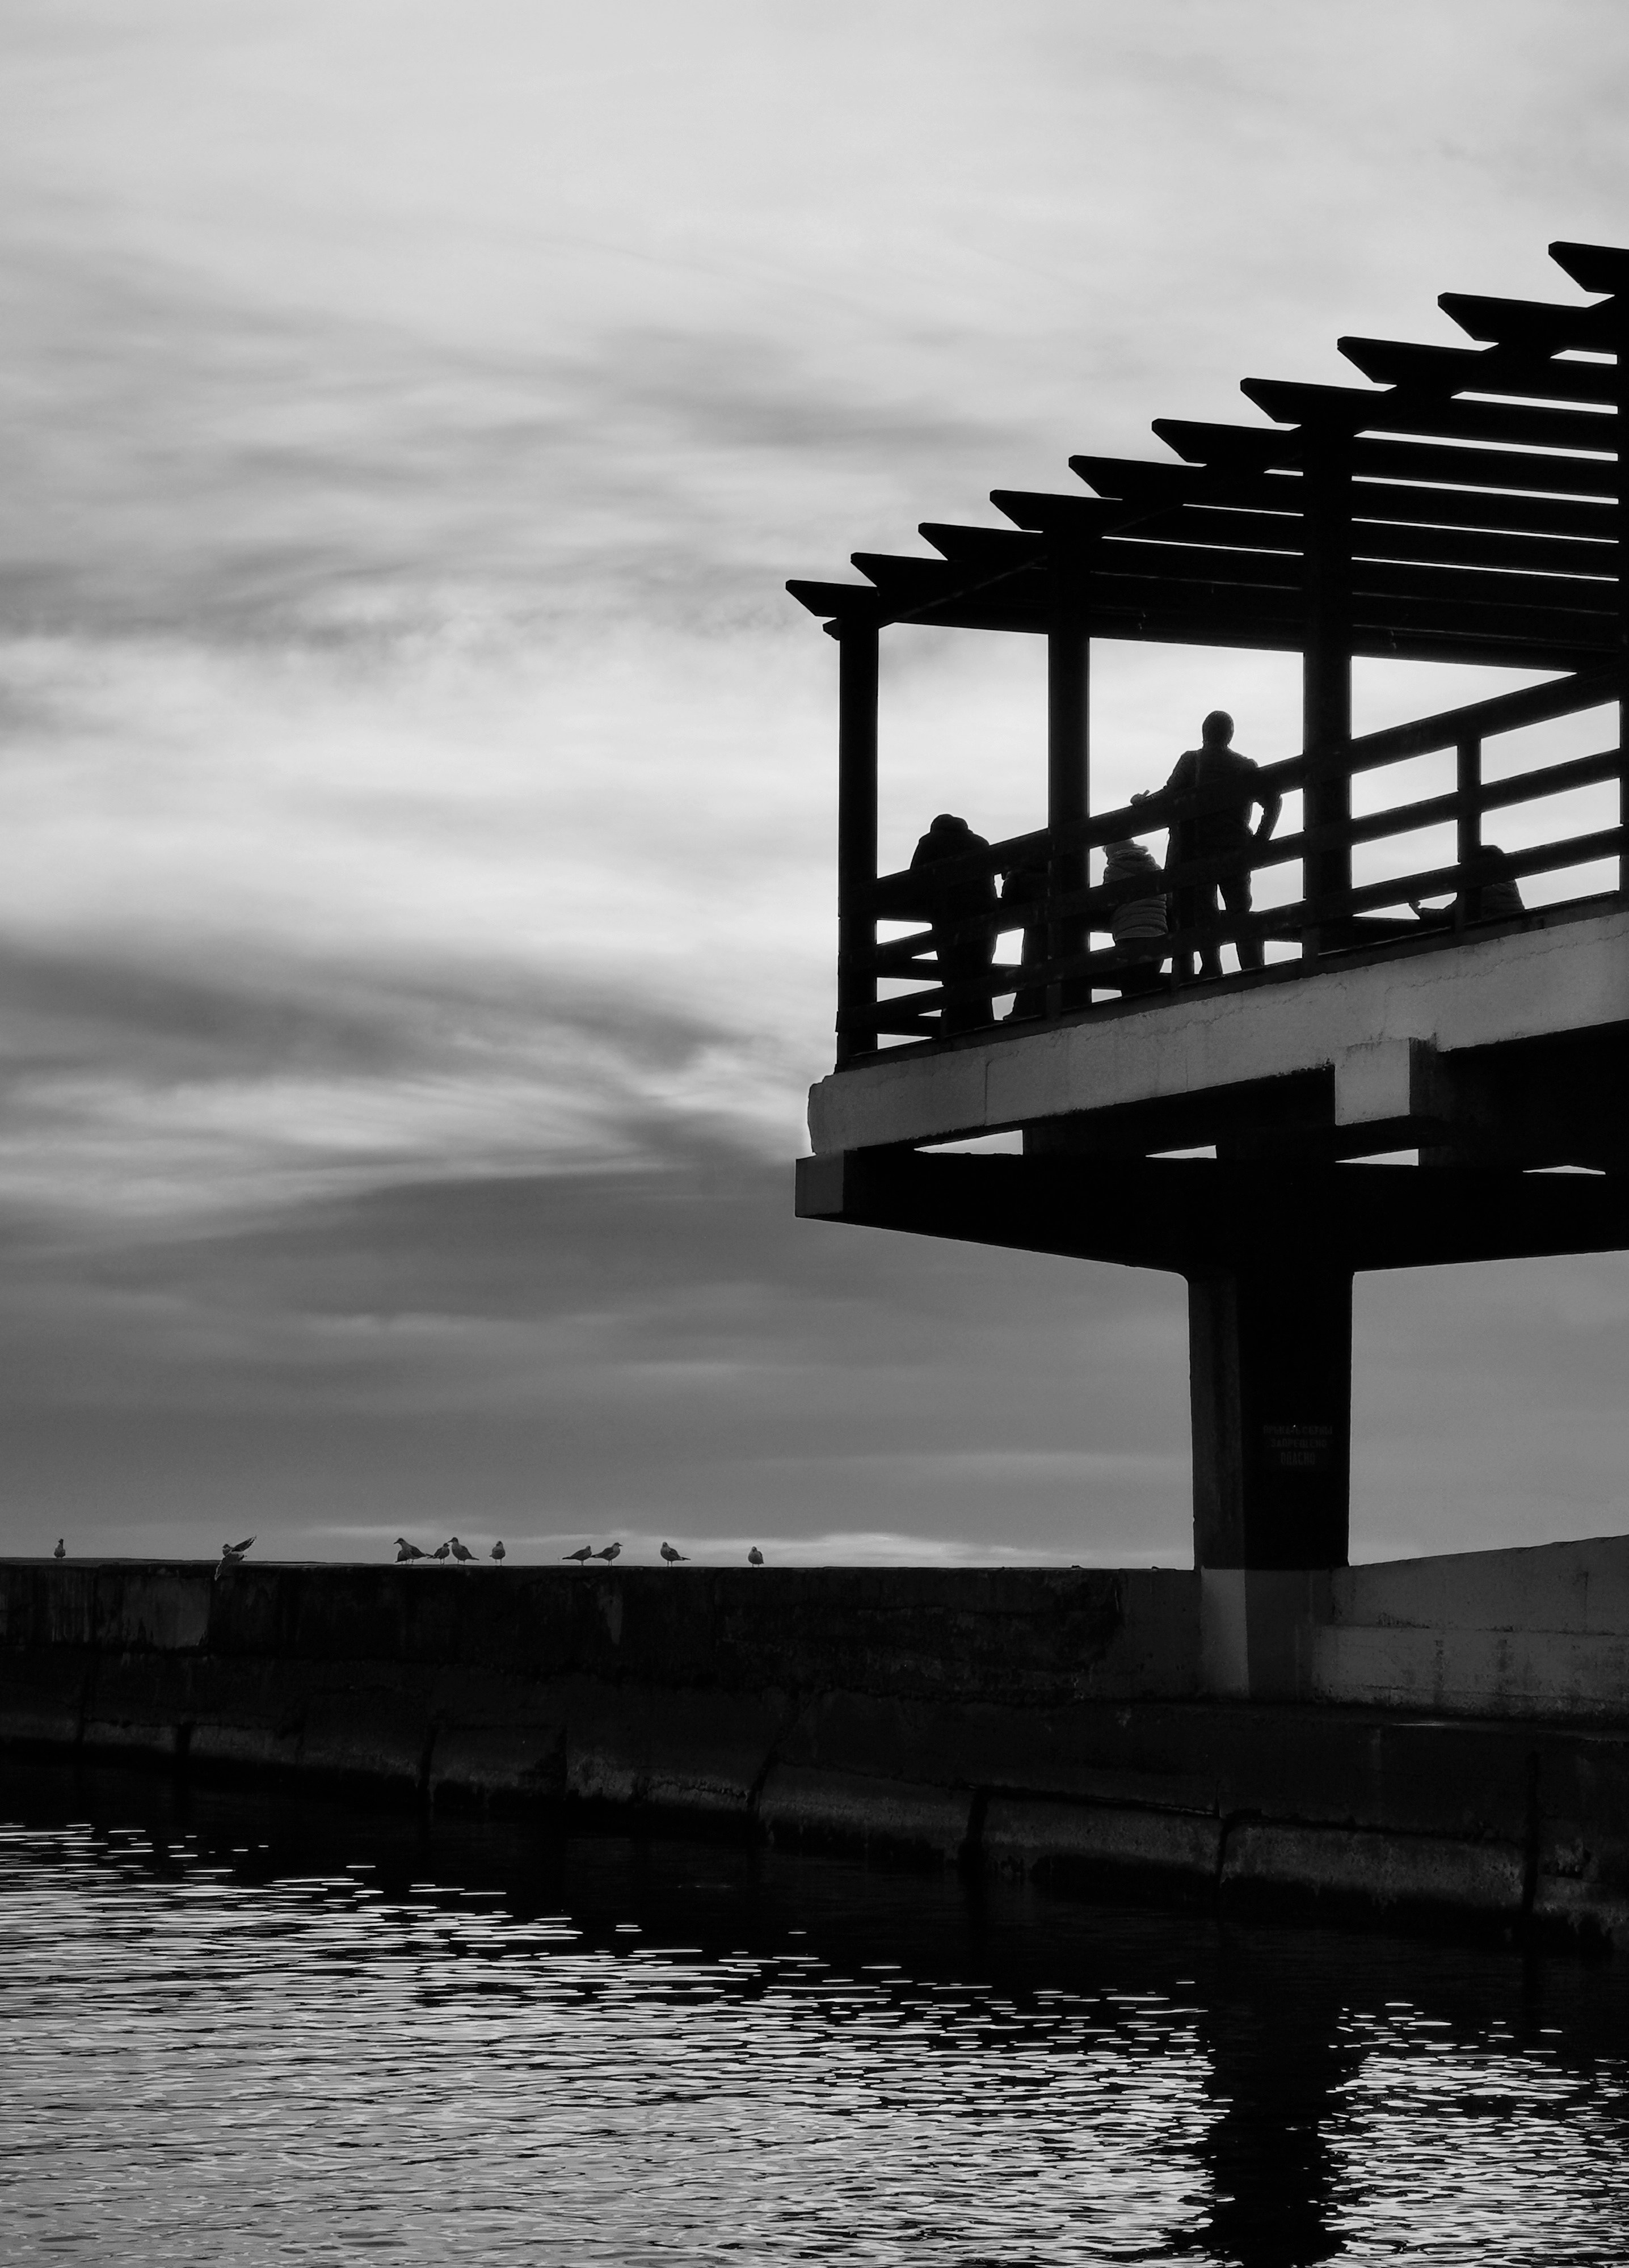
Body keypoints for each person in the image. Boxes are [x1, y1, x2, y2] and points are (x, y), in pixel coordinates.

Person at [1163, 711, 1281, 979]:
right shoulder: (1245, 766)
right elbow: (1274, 800)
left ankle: (1211, 968)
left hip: (1197, 849)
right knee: (1241, 910)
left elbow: (1168, 796)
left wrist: (1141, 803)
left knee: (1204, 912)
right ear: (1230, 735)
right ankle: (1252, 968)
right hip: (1235, 848)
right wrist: (1261, 839)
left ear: (1204, 733)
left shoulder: (1191, 761)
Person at [911, 812, 996, 1032]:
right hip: (984, 914)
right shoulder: (980, 843)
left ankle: (955, 1023)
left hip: (949, 912)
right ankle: (982, 1020)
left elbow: (914, 880)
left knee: (953, 968)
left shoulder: (930, 842)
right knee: (980, 967)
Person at [1102, 836, 1168, 993]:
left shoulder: (1114, 870)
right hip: (1157, 934)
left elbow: (1106, 901)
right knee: (1149, 984)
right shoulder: (1153, 867)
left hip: (1129, 935)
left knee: (1130, 988)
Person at [1411, 844, 1524, 930]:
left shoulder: (1479, 890)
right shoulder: (1509, 884)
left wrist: (1420, 912)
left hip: (1494, 933)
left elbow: (1447, 916)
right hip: (1518, 928)